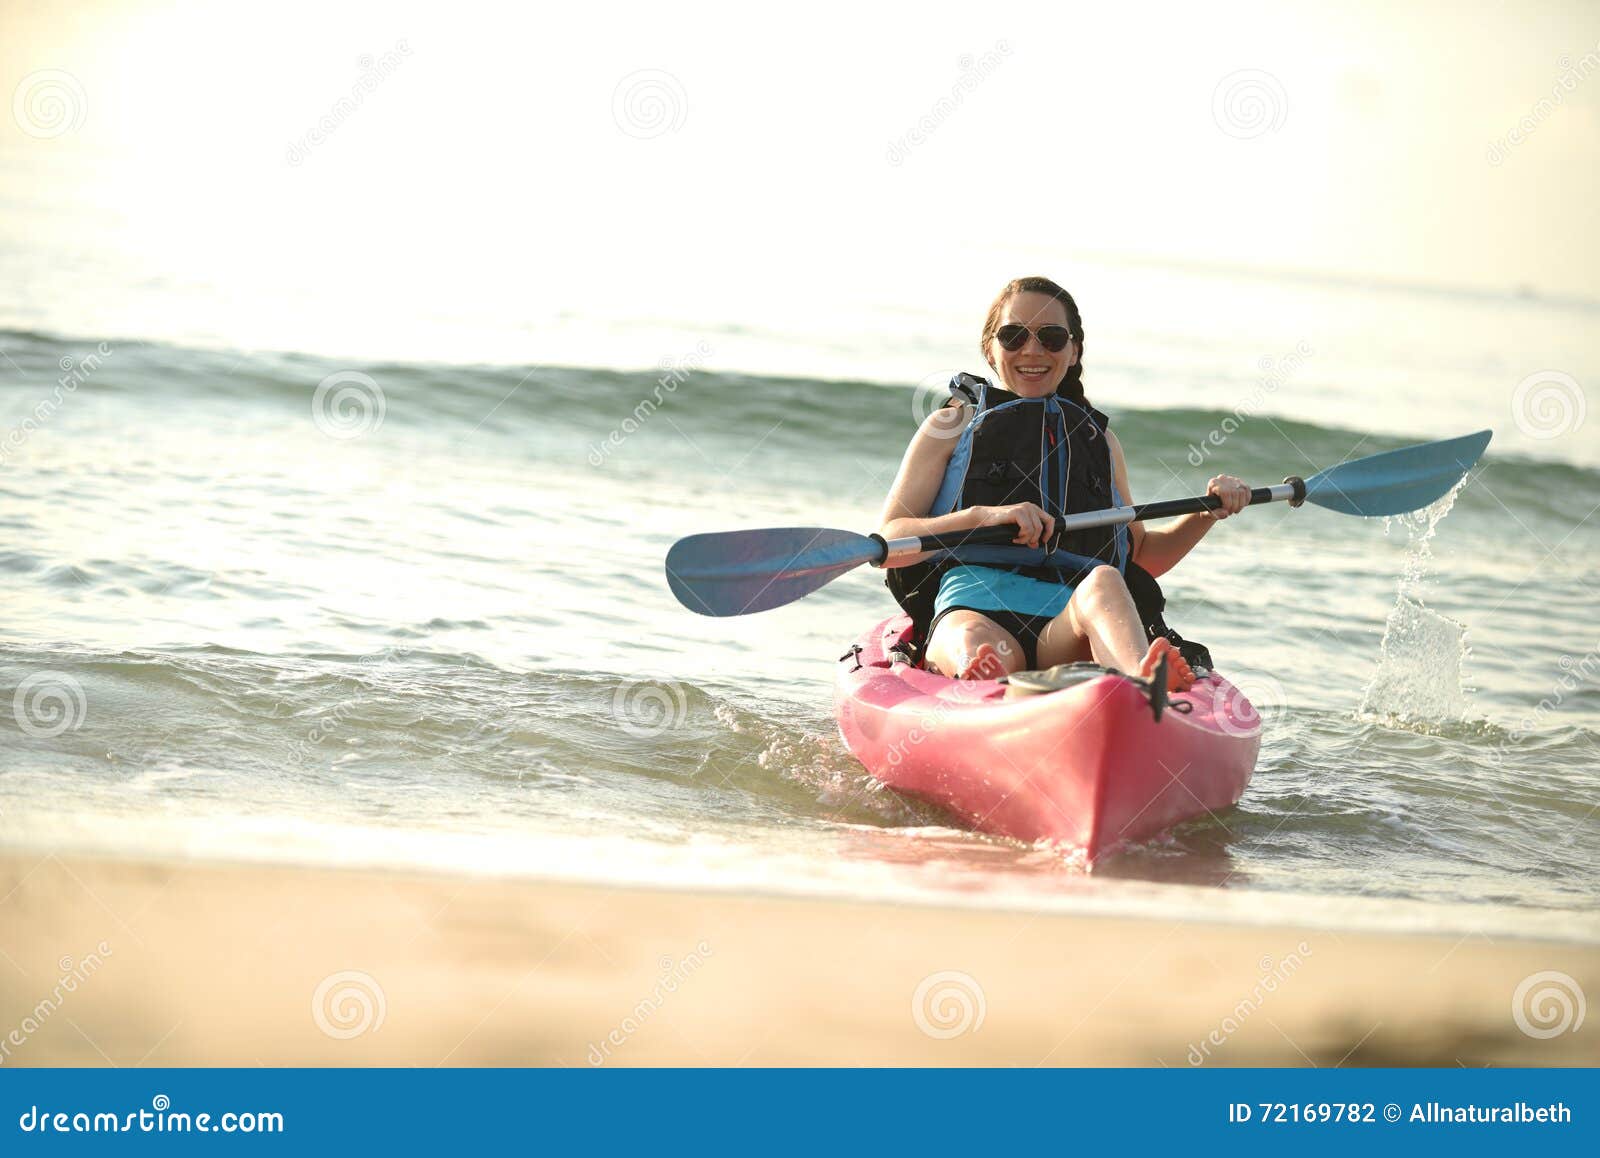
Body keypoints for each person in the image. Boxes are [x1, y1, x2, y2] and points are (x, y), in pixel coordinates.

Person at [878, 276, 1251, 691]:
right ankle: (984, 681)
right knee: (972, 640)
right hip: (973, 605)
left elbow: (1139, 555)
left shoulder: (1099, 441)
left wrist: (1205, 514)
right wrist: (985, 517)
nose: (1032, 350)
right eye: (1013, 335)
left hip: (1067, 623)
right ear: (990, 348)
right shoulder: (950, 426)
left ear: (1073, 351)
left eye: (1052, 337)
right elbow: (891, 541)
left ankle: (1142, 682)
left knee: (1107, 580)